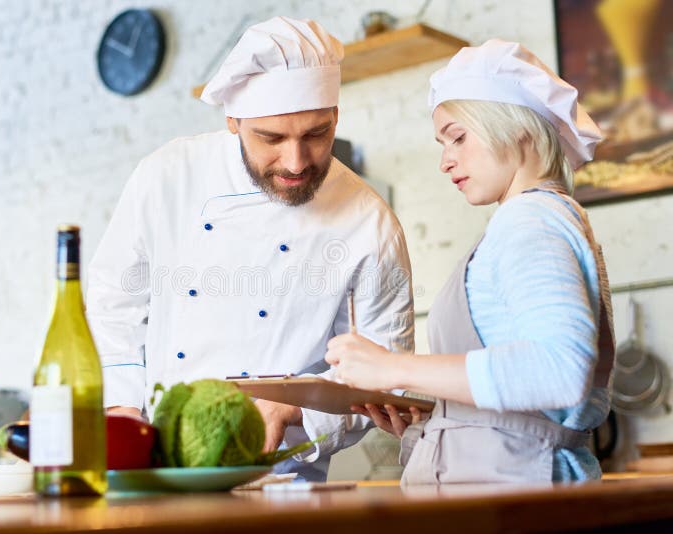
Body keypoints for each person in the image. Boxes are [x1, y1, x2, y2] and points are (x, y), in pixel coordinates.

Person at [86, 16, 414, 481]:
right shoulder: (168, 177)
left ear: (336, 116)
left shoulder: (369, 222)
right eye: (272, 138)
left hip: (284, 481)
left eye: (316, 134)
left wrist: (293, 411)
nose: (296, 161)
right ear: (233, 121)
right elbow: (113, 303)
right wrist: (122, 409)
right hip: (158, 465)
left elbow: (389, 375)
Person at [325, 39, 616, 484]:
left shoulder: (530, 219)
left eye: (458, 137)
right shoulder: (535, 218)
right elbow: (521, 412)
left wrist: (391, 367)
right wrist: (435, 424)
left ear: (517, 127)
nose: (446, 162)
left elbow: (559, 369)